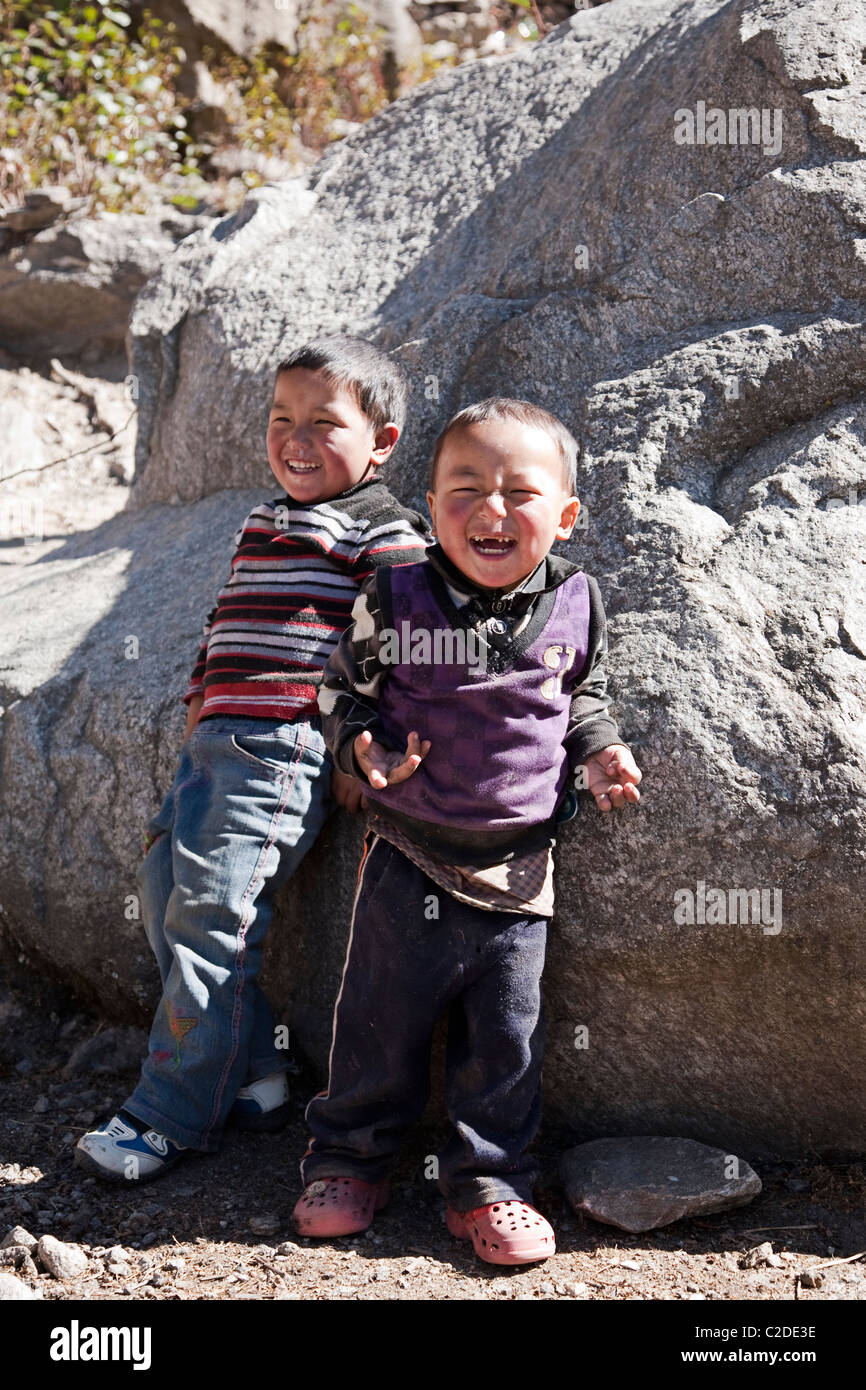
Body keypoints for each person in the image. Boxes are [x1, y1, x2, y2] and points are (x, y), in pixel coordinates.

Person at [293, 397, 642, 1265]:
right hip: (408, 854)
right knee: (378, 1017)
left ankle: (488, 1183)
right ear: (430, 501)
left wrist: (600, 751)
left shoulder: (575, 600)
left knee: (507, 1037)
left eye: (519, 493)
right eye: (465, 489)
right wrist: (357, 744)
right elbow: (338, 688)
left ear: (564, 516)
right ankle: (350, 1158)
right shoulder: (399, 593)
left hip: (520, 868)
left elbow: (580, 694)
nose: (491, 511)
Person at [75, 336, 431, 1183]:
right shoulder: (263, 519)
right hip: (213, 740)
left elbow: (404, 642)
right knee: (166, 895)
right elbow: (225, 616)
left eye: (322, 423)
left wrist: (353, 743)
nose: (295, 439)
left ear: (380, 442)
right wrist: (201, 689)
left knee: (213, 919)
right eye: (281, 419)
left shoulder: (385, 528)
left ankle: (166, 1114)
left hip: (281, 748)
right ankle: (256, 1068)